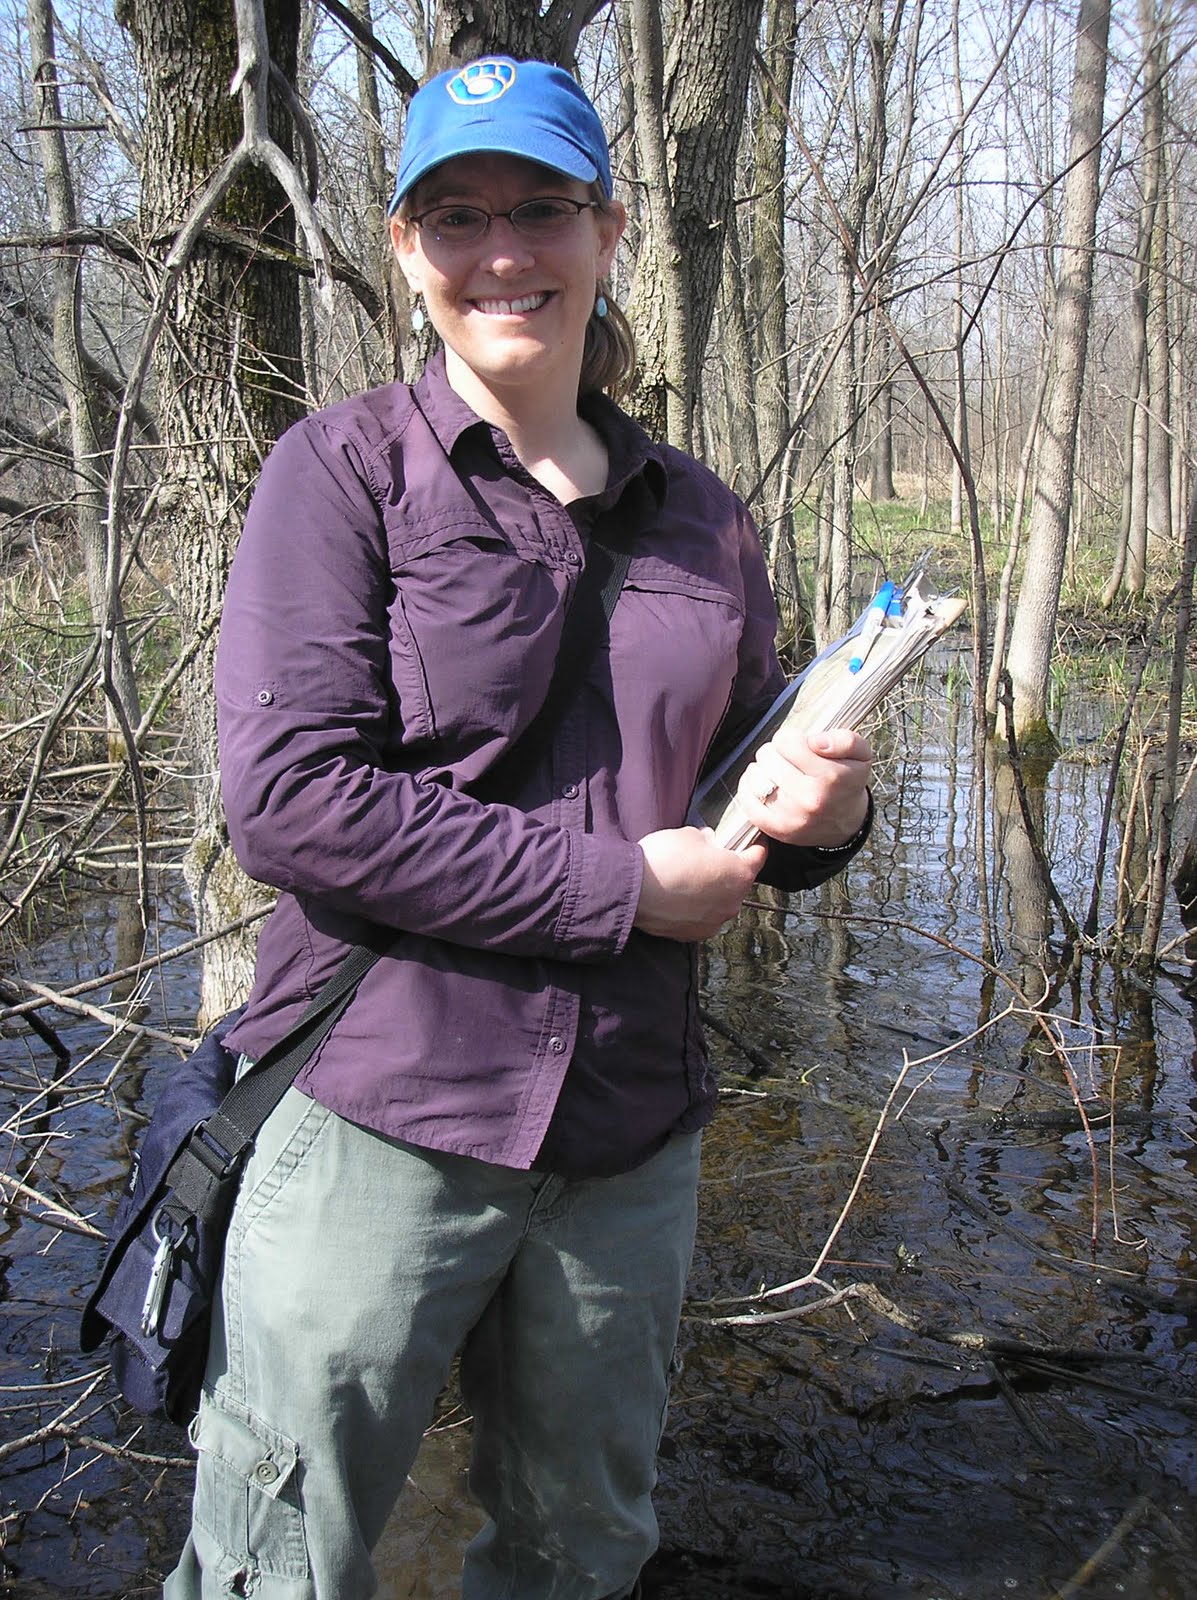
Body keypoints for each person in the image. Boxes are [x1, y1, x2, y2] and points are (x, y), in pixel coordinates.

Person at [164, 55, 872, 1600]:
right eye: (457, 214)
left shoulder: (704, 516)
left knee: (581, 1551)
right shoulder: (340, 473)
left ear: (605, 233)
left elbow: (745, 791)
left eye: (541, 208)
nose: (504, 251)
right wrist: (619, 887)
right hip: (384, 1111)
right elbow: (288, 802)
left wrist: (828, 812)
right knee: (280, 1556)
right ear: (406, 247)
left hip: (626, 1136)